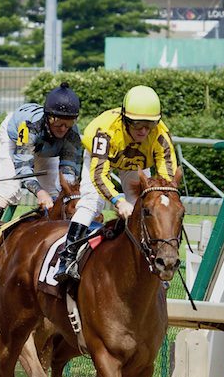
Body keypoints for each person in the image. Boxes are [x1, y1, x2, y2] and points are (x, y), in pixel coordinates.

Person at [55, 84, 178, 281]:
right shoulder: (105, 132)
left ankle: (150, 259)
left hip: (134, 164)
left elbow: (167, 180)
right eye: (137, 124)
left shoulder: (161, 135)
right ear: (125, 119)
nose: (144, 131)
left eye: (150, 125)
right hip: (101, 161)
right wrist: (118, 201)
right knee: (91, 203)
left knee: (144, 206)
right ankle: (67, 258)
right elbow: (99, 176)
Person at [0, 82, 83, 253]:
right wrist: (39, 192)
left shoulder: (73, 134)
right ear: (49, 118)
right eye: (59, 124)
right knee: (10, 190)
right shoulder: (30, 126)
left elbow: (68, 172)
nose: (63, 129)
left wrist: (66, 193)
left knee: (55, 194)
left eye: (68, 124)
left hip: (45, 148)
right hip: (15, 139)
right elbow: (23, 168)